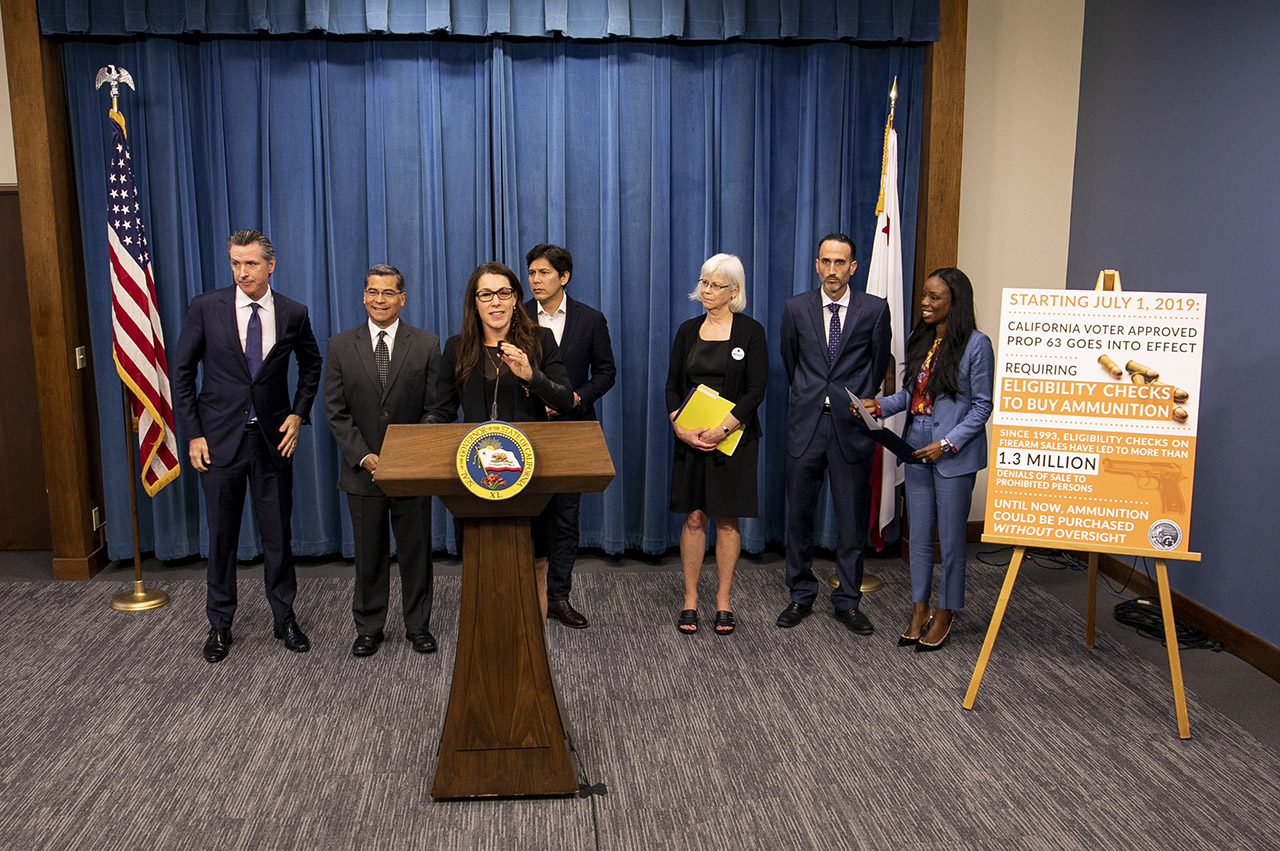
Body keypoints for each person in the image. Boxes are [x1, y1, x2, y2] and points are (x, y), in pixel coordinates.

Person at [174, 229, 323, 663]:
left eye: (251, 264)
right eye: (236, 263)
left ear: (270, 265)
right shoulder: (206, 308)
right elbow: (182, 374)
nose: (242, 272)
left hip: (273, 442)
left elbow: (311, 364)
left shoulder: (293, 312)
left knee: (278, 535)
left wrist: (298, 412)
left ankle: (284, 617)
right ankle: (220, 624)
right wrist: (195, 434)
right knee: (221, 537)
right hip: (218, 442)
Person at [428, 262, 575, 619]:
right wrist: (422, 438)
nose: (496, 301)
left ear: (515, 299)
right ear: (474, 303)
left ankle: (533, 657)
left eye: (504, 293)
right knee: (482, 570)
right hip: (475, 478)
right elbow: (441, 410)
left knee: (535, 566)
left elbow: (564, 399)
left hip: (532, 475)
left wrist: (531, 375)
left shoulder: (540, 341)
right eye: (486, 294)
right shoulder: (457, 348)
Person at [862, 267, 993, 651]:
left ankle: (946, 610)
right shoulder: (921, 340)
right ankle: (919, 608)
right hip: (915, 445)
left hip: (953, 452)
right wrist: (877, 407)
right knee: (918, 537)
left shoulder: (976, 344)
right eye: (923, 295)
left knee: (950, 540)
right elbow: (910, 396)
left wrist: (947, 443)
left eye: (934, 297)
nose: (924, 303)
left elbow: (982, 407)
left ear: (956, 302)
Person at [323, 264, 442, 657]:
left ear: (402, 298)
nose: (380, 300)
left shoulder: (426, 344)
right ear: (363, 296)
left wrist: (407, 453)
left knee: (415, 551)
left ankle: (417, 626)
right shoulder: (340, 345)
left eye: (388, 293)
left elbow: (436, 408)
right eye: (373, 292)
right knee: (369, 554)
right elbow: (336, 411)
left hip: (411, 473)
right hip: (363, 473)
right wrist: (364, 456)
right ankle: (369, 627)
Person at [777, 233, 890, 635]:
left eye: (840, 263)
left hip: (850, 428)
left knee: (851, 521)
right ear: (816, 265)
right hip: (806, 425)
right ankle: (800, 595)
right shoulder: (796, 308)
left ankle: (847, 600)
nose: (832, 270)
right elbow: (791, 362)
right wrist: (814, 396)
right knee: (799, 517)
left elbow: (878, 366)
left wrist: (850, 402)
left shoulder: (874, 310)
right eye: (825, 262)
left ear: (852, 268)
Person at [665, 253, 768, 636]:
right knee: (694, 517)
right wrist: (679, 426)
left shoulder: (750, 332)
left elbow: (756, 390)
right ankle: (690, 598)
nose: (706, 291)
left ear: (734, 291)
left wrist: (723, 429)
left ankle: (723, 599)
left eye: (715, 285)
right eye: (704, 283)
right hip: (691, 439)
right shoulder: (687, 330)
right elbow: (672, 384)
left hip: (734, 440)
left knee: (727, 519)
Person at [523, 243, 617, 629]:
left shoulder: (590, 319)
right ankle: (528, 596)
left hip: (572, 430)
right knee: (528, 515)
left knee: (565, 518)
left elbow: (606, 373)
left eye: (543, 273)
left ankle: (559, 598)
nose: (535, 280)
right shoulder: (515, 316)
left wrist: (576, 398)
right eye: (531, 273)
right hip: (525, 431)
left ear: (564, 277)